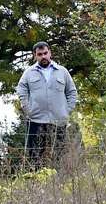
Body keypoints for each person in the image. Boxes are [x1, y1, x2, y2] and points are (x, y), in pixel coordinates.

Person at [16, 41, 79, 170]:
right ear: (35, 56)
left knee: (59, 155)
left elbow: (72, 92)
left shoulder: (62, 72)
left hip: (58, 121)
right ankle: (35, 183)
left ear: (50, 53)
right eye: (40, 54)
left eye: (45, 53)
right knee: (34, 156)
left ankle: (58, 183)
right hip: (36, 120)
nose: (43, 56)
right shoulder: (28, 73)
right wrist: (28, 109)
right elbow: (21, 90)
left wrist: (66, 110)